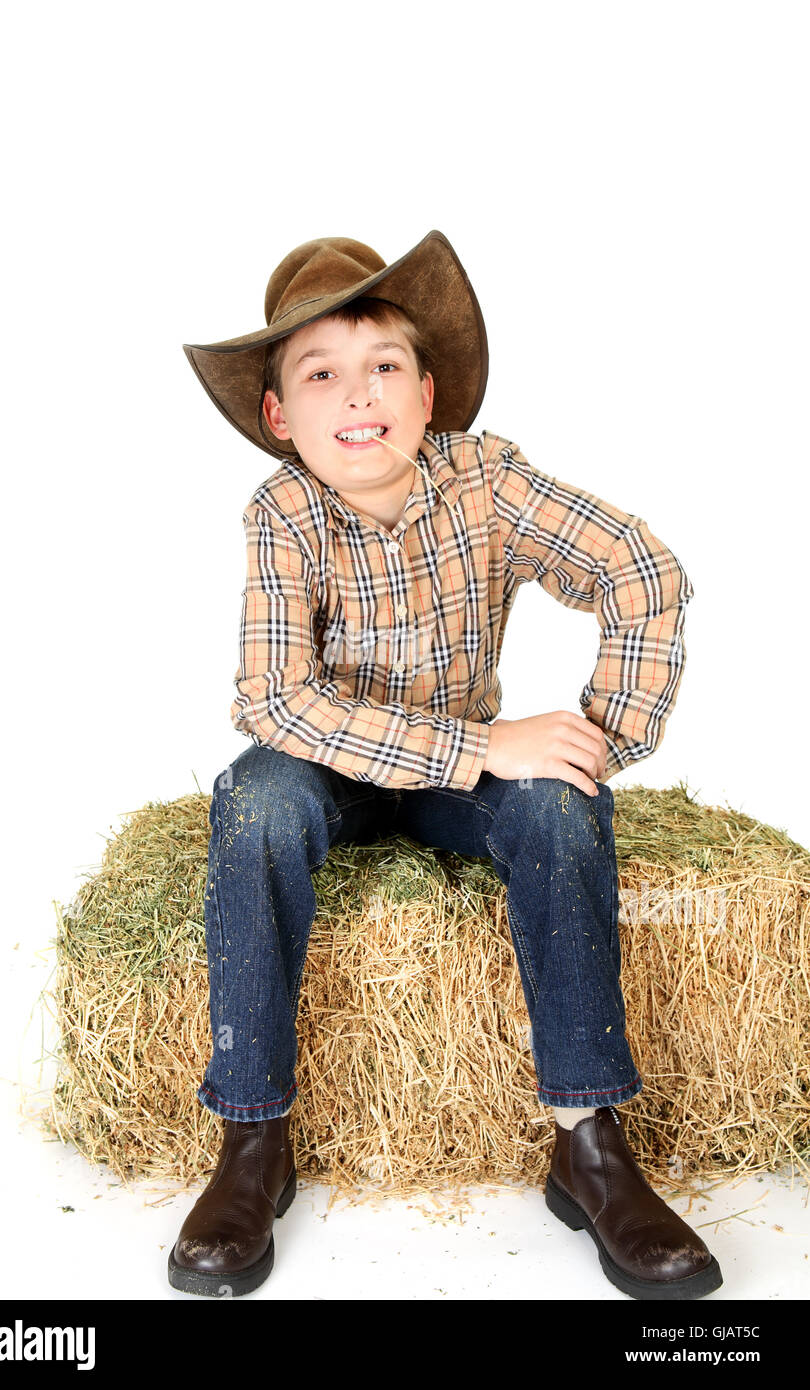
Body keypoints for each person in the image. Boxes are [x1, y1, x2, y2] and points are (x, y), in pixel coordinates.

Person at [167, 231, 721, 1301]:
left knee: (558, 801)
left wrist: (600, 737)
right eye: (319, 374)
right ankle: (251, 1138)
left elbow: (641, 569)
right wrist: (479, 744)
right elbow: (274, 699)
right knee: (253, 802)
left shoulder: (486, 481)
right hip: (329, 771)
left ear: (427, 395)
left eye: (381, 367)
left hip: (460, 792)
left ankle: (586, 1139)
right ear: (281, 419)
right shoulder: (283, 513)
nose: (356, 394)